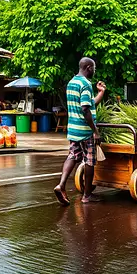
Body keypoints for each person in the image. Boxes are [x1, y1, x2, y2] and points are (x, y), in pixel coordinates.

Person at [54, 57, 106, 205]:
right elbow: (85, 109)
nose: (94, 71)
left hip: (73, 130)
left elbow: (89, 103)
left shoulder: (72, 83)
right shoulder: (85, 84)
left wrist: (100, 92)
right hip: (85, 130)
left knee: (72, 156)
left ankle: (61, 185)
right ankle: (87, 195)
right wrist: (95, 131)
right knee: (89, 161)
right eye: (94, 68)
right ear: (89, 67)